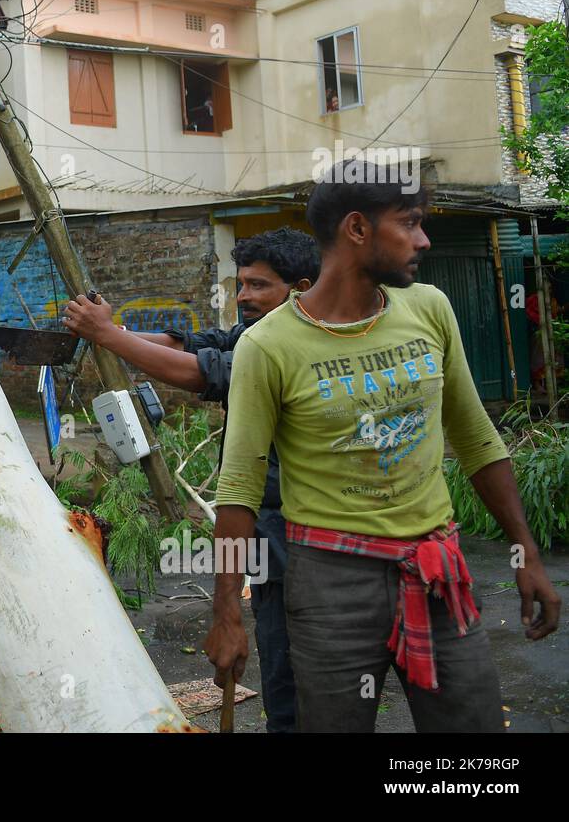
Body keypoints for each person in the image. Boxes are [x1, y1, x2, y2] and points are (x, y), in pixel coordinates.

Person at [205, 162, 561, 732]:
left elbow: (474, 437)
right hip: (329, 584)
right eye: (411, 223)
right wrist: (226, 610)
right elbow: (239, 490)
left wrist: (526, 553)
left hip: (437, 570)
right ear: (357, 229)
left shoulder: (428, 308)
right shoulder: (269, 346)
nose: (423, 239)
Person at [62, 226, 320, 732]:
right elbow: (197, 345)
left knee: (299, 664)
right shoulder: (255, 330)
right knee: (279, 660)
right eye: (241, 284)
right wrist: (107, 330)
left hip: (301, 529)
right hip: (265, 525)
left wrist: (108, 336)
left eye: (258, 286)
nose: (243, 295)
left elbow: (203, 373)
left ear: (301, 287)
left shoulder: (298, 342)